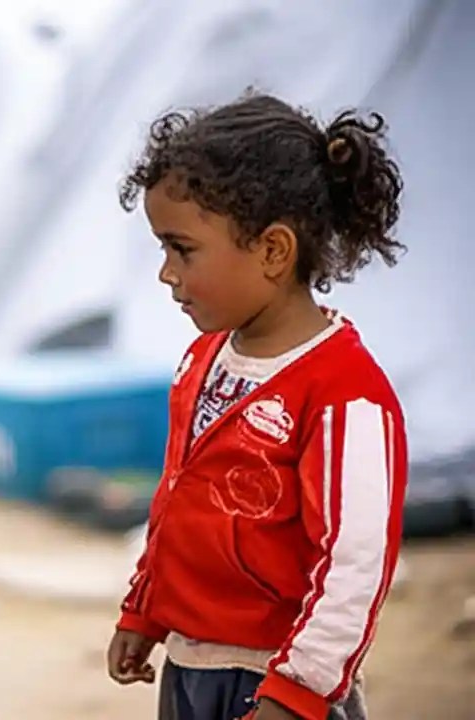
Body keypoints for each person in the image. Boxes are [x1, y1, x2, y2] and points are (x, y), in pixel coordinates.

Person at [106, 91, 408, 720]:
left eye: (182, 249)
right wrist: (146, 609)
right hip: (190, 666)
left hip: (277, 681)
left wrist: (297, 692)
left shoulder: (346, 393)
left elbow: (354, 566)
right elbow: (178, 498)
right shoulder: (204, 360)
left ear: (273, 251)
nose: (166, 273)